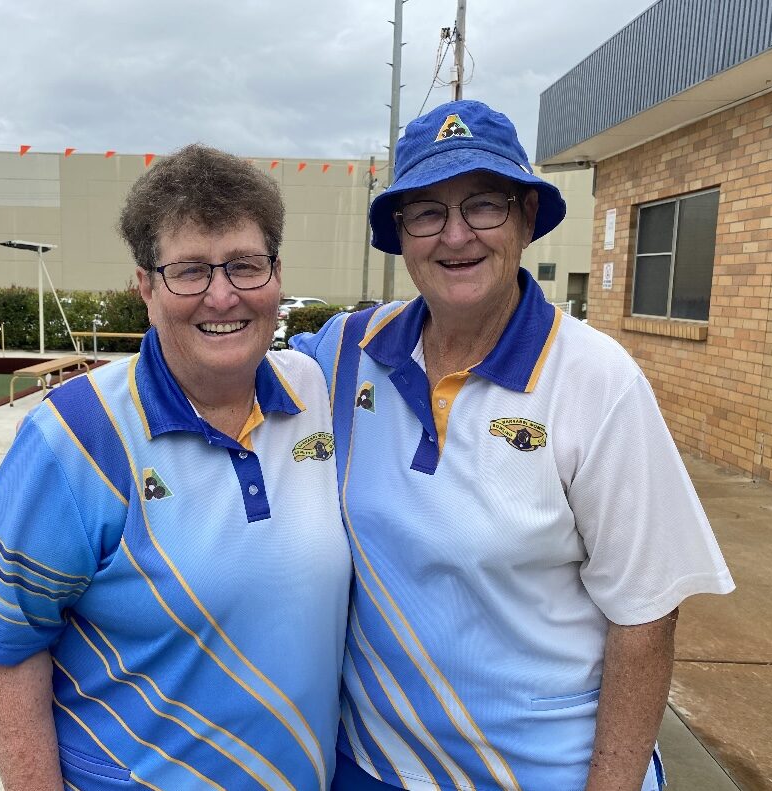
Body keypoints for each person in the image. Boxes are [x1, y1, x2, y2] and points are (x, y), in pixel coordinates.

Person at [292, 100, 735, 791]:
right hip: (374, 766)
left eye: (484, 205)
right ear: (401, 233)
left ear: (527, 217)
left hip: (543, 772)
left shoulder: (596, 379)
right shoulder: (347, 352)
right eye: (427, 212)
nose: (456, 235)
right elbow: (229, 372)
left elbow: (646, 616)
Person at [0, 144, 351, 790]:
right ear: (145, 287)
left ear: (277, 274)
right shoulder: (77, 435)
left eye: (246, 265)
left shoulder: (313, 390)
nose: (223, 295)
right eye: (189, 271)